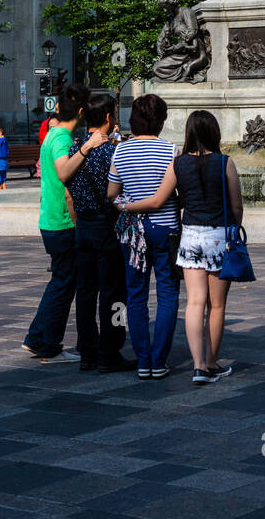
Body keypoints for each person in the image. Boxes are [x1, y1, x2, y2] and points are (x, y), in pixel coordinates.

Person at [119, 109, 243, 385]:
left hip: (189, 236)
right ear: (214, 133)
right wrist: (233, 228)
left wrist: (125, 206)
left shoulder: (178, 164)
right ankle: (211, 362)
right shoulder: (225, 163)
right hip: (218, 236)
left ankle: (198, 366)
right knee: (217, 305)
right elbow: (236, 205)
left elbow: (159, 200)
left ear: (188, 134)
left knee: (194, 302)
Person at [22, 84, 106, 363]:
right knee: (63, 284)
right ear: (81, 112)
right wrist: (85, 148)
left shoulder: (54, 134)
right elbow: (62, 173)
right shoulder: (61, 138)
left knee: (61, 281)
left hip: (51, 218)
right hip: (61, 221)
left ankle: (37, 338)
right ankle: (48, 346)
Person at [106, 93, 180, 380]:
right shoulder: (170, 151)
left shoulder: (120, 151)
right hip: (166, 228)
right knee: (167, 293)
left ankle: (143, 360)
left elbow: (112, 194)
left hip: (133, 232)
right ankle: (159, 360)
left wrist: (126, 202)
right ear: (160, 121)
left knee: (135, 295)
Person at [66, 92, 135, 375]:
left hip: (83, 225)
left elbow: (69, 192)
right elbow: (122, 193)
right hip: (108, 226)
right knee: (114, 292)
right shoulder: (113, 152)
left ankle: (87, 351)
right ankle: (111, 349)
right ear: (108, 118)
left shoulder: (76, 149)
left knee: (85, 291)